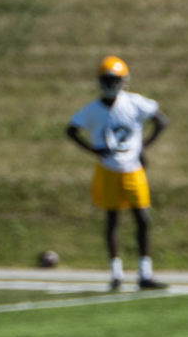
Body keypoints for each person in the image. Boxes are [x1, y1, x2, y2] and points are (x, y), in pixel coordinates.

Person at [66, 55, 168, 291]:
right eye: (107, 79)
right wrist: (92, 150)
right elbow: (71, 130)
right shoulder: (92, 110)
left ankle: (144, 273)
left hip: (132, 168)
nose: (111, 84)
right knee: (112, 220)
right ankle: (116, 273)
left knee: (142, 218)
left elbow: (161, 120)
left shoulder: (133, 103)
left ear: (123, 81)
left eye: (115, 80)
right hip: (108, 169)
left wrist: (143, 147)